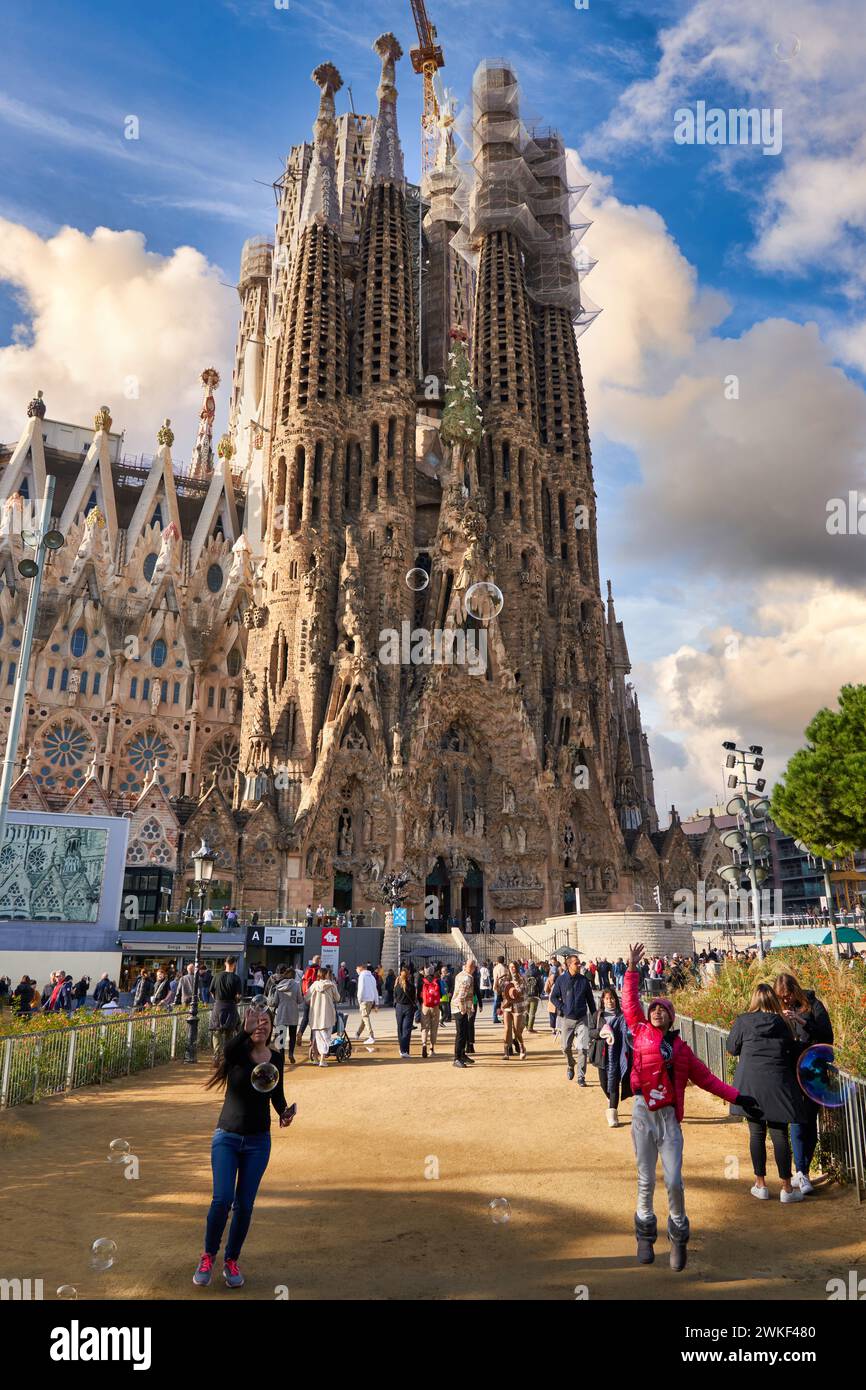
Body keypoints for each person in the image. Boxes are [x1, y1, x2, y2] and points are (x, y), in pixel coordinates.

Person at [623, 942, 756, 1271]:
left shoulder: (682, 1050)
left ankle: (678, 1233)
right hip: (642, 1111)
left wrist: (738, 1097)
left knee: (675, 1181)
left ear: (670, 1016)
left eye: (662, 1009)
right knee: (645, 1179)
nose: (656, 1012)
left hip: (669, 1118)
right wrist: (631, 969)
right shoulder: (639, 1031)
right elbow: (629, 1003)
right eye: (653, 1008)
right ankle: (644, 1232)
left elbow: (708, 1079)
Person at [195, 1000, 295, 1288]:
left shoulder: (276, 1058)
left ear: (272, 1027)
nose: (261, 1026)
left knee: (245, 1206)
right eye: (256, 1021)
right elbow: (225, 1052)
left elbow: (276, 1094)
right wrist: (244, 1031)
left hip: (258, 1141)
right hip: (227, 1136)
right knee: (222, 1199)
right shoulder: (237, 1052)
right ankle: (207, 1255)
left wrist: (284, 1112)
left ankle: (231, 1260)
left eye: (266, 1022)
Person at [726, 983, 810, 1204]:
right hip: (777, 1083)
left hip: (751, 1084)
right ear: (773, 999)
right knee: (779, 1134)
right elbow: (792, 1049)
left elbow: (732, 1048)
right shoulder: (783, 1022)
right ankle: (786, 1188)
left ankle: (760, 1184)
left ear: (754, 1000)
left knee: (756, 1134)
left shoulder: (743, 1020)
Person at [773, 971, 833, 1194]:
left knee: (810, 1120)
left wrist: (801, 1021)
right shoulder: (776, 1010)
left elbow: (828, 1036)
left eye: (788, 995)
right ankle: (801, 1171)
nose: (785, 1000)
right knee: (797, 1120)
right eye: (781, 997)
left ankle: (804, 1170)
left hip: (814, 1068)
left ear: (795, 991)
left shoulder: (813, 1005)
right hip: (791, 1070)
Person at [549, 952, 595, 1085]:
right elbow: (553, 997)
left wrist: (595, 1016)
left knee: (582, 1048)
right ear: (569, 965)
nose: (579, 964)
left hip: (582, 1018)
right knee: (565, 1047)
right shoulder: (561, 980)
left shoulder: (584, 980)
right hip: (567, 1019)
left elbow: (590, 1000)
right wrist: (563, 1008)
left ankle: (581, 1076)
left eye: (579, 962)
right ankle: (570, 1064)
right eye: (576, 963)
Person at [590, 987, 632, 1126]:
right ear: (603, 1000)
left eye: (612, 998)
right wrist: (601, 1033)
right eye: (607, 998)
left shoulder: (622, 1016)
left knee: (613, 1084)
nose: (610, 1001)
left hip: (618, 1054)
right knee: (604, 1084)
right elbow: (591, 1032)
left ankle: (612, 1114)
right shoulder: (598, 1016)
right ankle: (610, 1099)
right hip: (602, 1055)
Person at [306, 968, 340, 1067]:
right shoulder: (332, 985)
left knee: (316, 1037)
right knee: (326, 1037)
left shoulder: (314, 985)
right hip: (327, 1015)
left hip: (316, 1015)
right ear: (326, 975)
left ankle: (315, 1058)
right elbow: (338, 998)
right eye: (329, 973)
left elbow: (306, 998)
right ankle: (322, 1059)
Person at [210, 956, 242, 1053]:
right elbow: (238, 995)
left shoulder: (217, 976)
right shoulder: (236, 978)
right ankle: (226, 1055)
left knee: (216, 1031)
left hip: (218, 1005)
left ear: (225, 963)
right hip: (230, 1006)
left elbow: (211, 991)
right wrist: (236, 1001)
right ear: (234, 964)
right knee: (229, 1033)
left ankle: (216, 1055)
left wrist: (217, 999)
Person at [452, 957, 477, 1068]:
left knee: (464, 1032)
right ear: (473, 967)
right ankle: (457, 1058)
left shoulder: (460, 974)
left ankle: (462, 1055)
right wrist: (463, 1008)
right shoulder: (467, 978)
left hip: (459, 1006)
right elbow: (462, 995)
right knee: (461, 1034)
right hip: (459, 1008)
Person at [273, 967, 302, 1064]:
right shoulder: (296, 985)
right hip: (293, 1013)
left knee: (281, 1036)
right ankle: (291, 1053)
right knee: (292, 1035)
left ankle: (281, 1057)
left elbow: (275, 1002)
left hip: (281, 1013)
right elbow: (300, 1000)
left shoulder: (278, 986)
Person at [500, 962, 527, 1060]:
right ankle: (506, 1052)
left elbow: (524, 992)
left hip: (517, 1005)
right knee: (507, 1029)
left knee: (516, 1030)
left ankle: (522, 1047)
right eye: (511, 967)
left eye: (514, 967)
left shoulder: (521, 978)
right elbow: (501, 991)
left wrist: (516, 988)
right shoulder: (505, 978)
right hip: (507, 1005)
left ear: (517, 968)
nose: (512, 969)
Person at [393, 965, 417, 1059]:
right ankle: (405, 1050)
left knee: (400, 1029)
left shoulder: (396, 986)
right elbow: (414, 998)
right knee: (406, 1030)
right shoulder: (411, 986)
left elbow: (394, 996)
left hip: (399, 1007)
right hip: (408, 1007)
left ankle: (401, 1048)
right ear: (408, 976)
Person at [354, 963, 378, 1049]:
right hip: (370, 1000)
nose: (356, 970)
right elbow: (375, 990)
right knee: (364, 1017)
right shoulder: (372, 977)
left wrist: (359, 999)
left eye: (356, 968)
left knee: (365, 1017)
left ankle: (371, 1036)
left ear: (360, 968)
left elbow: (361, 989)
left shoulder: (362, 976)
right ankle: (358, 1033)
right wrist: (377, 1002)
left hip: (364, 1000)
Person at [419, 966, 441, 1058]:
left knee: (425, 1027)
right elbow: (442, 993)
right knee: (434, 1028)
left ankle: (424, 1044)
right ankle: (432, 1048)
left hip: (425, 1005)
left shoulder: (422, 981)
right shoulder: (437, 981)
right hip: (435, 1006)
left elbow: (418, 994)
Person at [298, 955, 321, 1039]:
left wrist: (303, 995)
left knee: (306, 1017)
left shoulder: (307, 970)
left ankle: (300, 1033)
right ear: (319, 961)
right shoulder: (319, 970)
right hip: (315, 998)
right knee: (314, 1018)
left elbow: (302, 982)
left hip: (306, 997)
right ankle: (312, 1038)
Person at [523, 962, 540, 1032]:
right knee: (532, 1012)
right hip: (534, 995)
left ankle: (525, 1026)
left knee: (526, 1011)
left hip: (526, 995)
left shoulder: (525, 974)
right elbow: (540, 984)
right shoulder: (537, 973)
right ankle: (530, 1028)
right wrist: (540, 993)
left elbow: (523, 985)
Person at [491, 956, 507, 1026]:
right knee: (503, 1003)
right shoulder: (503, 968)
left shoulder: (495, 967)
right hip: (501, 987)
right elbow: (504, 979)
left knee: (496, 1003)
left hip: (495, 986)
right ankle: (502, 1017)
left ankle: (495, 1017)